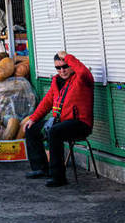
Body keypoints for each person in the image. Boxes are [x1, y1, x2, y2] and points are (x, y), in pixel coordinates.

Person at [23, 51, 94, 187]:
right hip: (60, 122)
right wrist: (33, 119)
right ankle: (40, 168)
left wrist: (68, 56)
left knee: (54, 132)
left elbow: (84, 71)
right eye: (58, 68)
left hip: (80, 123)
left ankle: (58, 177)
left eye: (65, 66)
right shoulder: (56, 81)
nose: (62, 70)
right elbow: (47, 102)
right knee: (31, 128)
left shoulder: (82, 79)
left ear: (71, 65)